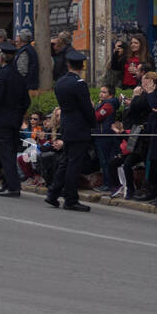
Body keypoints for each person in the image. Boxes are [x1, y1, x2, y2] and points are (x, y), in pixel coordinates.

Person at [45, 49, 94, 211]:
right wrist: (92, 122)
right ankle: (71, 199)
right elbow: (87, 108)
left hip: (66, 125)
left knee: (66, 162)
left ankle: (53, 194)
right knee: (73, 164)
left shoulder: (60, 82)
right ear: (81, 66)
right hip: (79, 127)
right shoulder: (79, 84)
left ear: (68, 64)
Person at [0, 39, 30, 198]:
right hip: (15, 120)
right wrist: (18, 115)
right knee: (8, 152)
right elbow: (26, 101)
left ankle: (13, 186)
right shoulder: (19, 77)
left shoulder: (0, 75)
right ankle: (7, 182)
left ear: (1, 57)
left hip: (2, 120)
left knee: (6, 153)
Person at [93, 83, 121, 191]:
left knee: (106, 161)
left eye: (104, 92)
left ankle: (109, 184)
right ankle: (106, 183)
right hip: (101, 135)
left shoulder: (108, 105)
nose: (101, 94)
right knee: (103, 161)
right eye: (101, 91)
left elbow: (97, 117)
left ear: (111, 95)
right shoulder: (103, 103)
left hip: (105, 136)